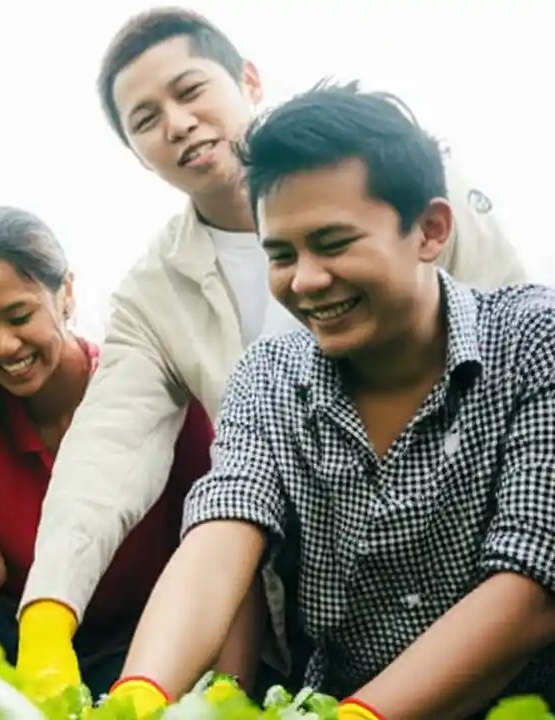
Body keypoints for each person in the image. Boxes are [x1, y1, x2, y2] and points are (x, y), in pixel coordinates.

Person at [18, 6, 532, 695]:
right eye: (145, 119)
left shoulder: (430, 203)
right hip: (324, 621)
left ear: (249, 80)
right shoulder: (174, 306)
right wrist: (53, 616)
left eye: (190, 90)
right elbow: (117, 454)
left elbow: (510, 390)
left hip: (486, 610)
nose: (175, 123)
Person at [108, 80, 555, 719]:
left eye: (335, 243)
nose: (307, 280)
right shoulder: (268, 377)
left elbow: (533, 584)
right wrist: (137, 698)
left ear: (430, 230)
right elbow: (222, 531)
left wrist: (359, 717)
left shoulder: (535, 342)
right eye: (282, 254)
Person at [0, 205, 249, 697]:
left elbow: (218, 541)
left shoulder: (154, 389)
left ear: (66, 292)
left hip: (136, 643)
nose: (4, 345)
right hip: (18, 639)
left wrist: (229, 687)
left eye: (20, 316)